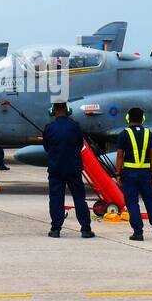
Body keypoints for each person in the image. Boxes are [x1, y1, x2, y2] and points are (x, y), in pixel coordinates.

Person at [42, 102, 94, 238]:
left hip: (55, 168)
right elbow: (80, 144)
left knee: (56, 198)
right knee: (79, 198)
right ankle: (85, 229)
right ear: (67, 110)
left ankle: (55, 229)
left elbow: (47, 147)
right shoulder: (75, 126)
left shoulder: (49, 128)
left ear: (53, 111)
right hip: (73, 168)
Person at [114, 107, 152, 241]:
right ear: (143, 119)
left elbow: (119, 156)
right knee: (151, 203)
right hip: (146, 173)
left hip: (129, 173)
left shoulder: (124, 134)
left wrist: (117, 174)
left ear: (128, 119)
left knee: (132, 203)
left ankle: (138, 232)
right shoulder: (149, 134)